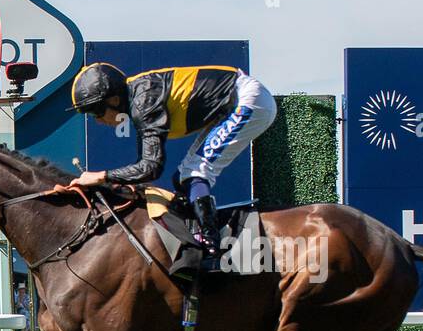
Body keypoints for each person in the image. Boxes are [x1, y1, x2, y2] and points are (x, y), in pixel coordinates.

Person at [69, 62, 277, 257]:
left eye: (95, 111)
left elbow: (151, 168)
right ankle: (207, 233)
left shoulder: (143, 102)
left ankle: (212, 246)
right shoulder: (138, 98)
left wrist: (101, 177)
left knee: (196, 174)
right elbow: (145, 165)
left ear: (113, 100)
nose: (97, 120)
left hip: (246, 100)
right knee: (183, 178)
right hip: (233, 101)